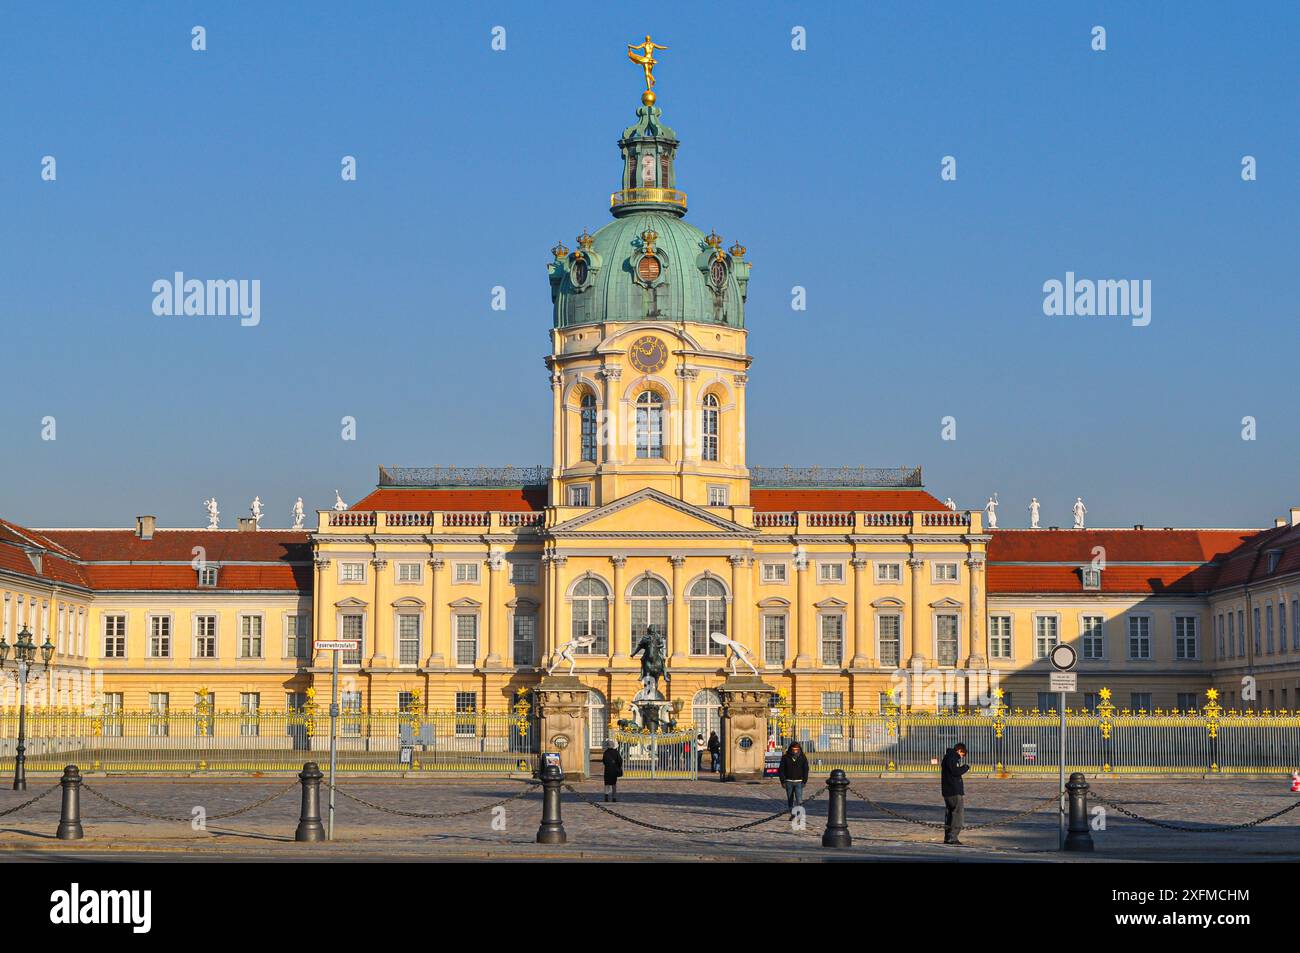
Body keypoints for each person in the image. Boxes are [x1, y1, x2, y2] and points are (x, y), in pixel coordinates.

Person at [941, 742, 970, 845]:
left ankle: (948, 837)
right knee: (957, 815)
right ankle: (952, 838)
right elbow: (955, 771)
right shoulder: (952, 757)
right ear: (959, 750)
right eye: (962, 755)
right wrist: (965, 767)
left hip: (948, 791)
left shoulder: (948, 757)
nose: (961, 757)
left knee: (950, 815)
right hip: (953, 791)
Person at [777, 741, 810, 813]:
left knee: (799, 799)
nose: (795, 750)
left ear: (799, 749)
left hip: (799, 782)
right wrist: (782, 781)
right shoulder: (785, 757)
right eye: (794, 749)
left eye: (797, 749)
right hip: (788, 782)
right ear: (790, 749)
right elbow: (781, 770)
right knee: (790, 799)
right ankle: (792, 813)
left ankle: (799, 813)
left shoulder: (802, 757)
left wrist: (804, 781)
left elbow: (806, 769)